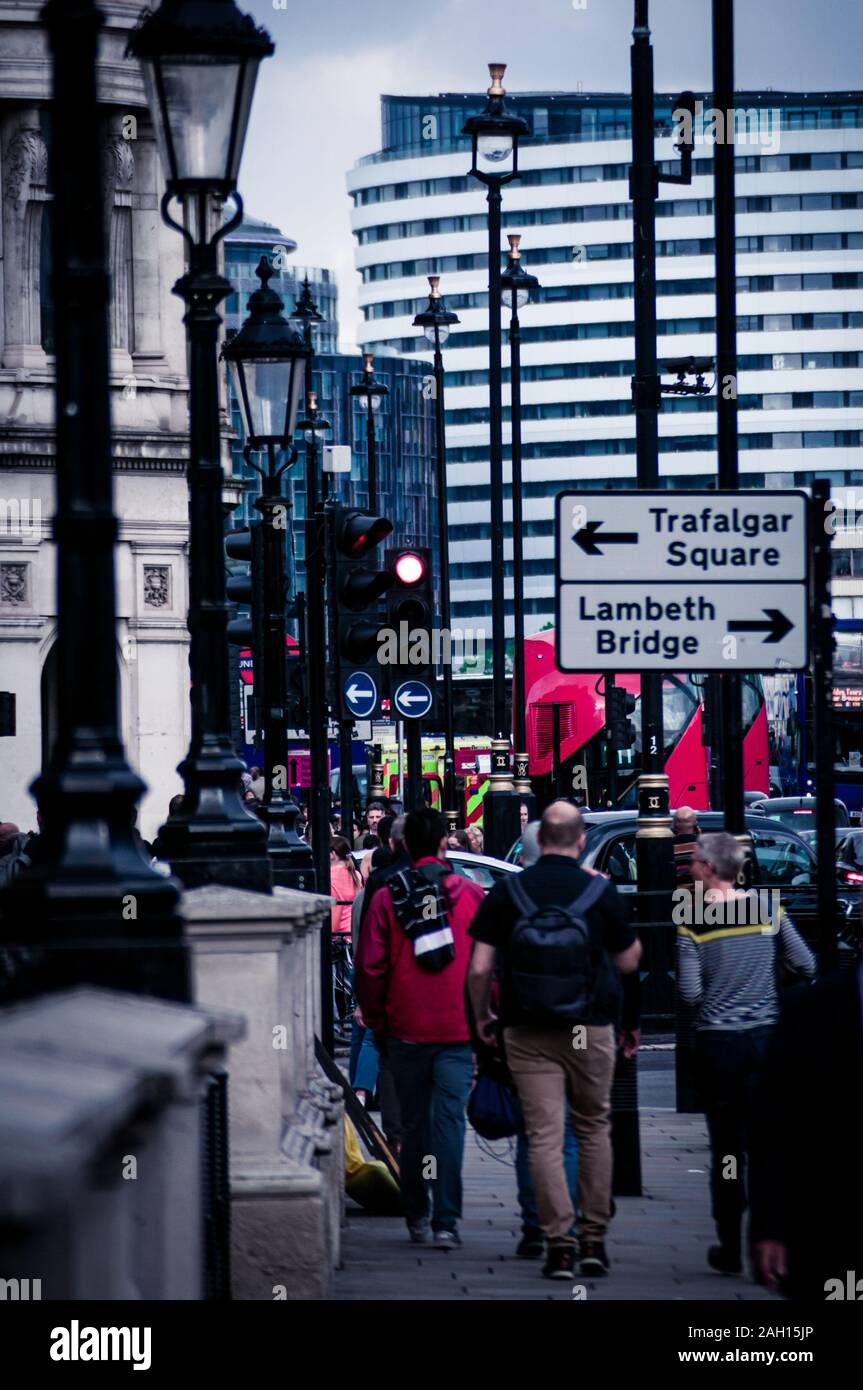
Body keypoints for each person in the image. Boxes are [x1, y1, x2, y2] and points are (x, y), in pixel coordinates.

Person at [468, 802, 641, 1280]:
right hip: (591, 1025)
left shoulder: (509, 892)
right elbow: (629, 964)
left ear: (539, 840)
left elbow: (480, 968)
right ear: (581, 840)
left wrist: (484, 1018)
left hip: (526, 1028)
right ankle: (593, 1240)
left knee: (543, 1134)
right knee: (592, 1128)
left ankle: (558, 1244)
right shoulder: (599, 892)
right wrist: (631, 1022)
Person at [677, 831, 815, 1276]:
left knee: (728, 1149)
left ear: (712, 869)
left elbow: (690, 990)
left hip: (718, 1044)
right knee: (769, 1144)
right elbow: (806, 964)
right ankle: (769, 1238)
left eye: (696, 860)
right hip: (766, 1040)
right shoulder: (768, 908)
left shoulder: (693, 918)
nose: (691, 866)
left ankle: (729, 1242)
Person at [355, 807, 484, 1250]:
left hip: (405, 1027)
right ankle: (446, 1219)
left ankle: (417, 1211)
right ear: (445, 843)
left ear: (404, 844)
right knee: (449, 1124)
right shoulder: (470, 894)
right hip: (457, 1028)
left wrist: (376, 1021)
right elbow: (486, 967)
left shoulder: (388, 897)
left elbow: (370, 968)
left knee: (413, 1126)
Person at [750, 948, 863, 1300]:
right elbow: (776, 1123)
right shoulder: (814, 1007)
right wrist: (770, 1225)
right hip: (827, 1226)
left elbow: (690, 989)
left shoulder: (810, 1005)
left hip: (722, 1034)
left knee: (724, 1136)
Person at [330, 836, 361, 938]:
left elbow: (333, 925)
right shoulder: (357, 875)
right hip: (356, 935)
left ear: (333, 854)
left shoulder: (329, 878)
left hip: (340, 939)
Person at [672, 806, 701, 888]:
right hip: (699, 897)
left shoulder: (667, 846)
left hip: (675, 897)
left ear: (675, 824)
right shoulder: (702, 845)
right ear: (695, 823)